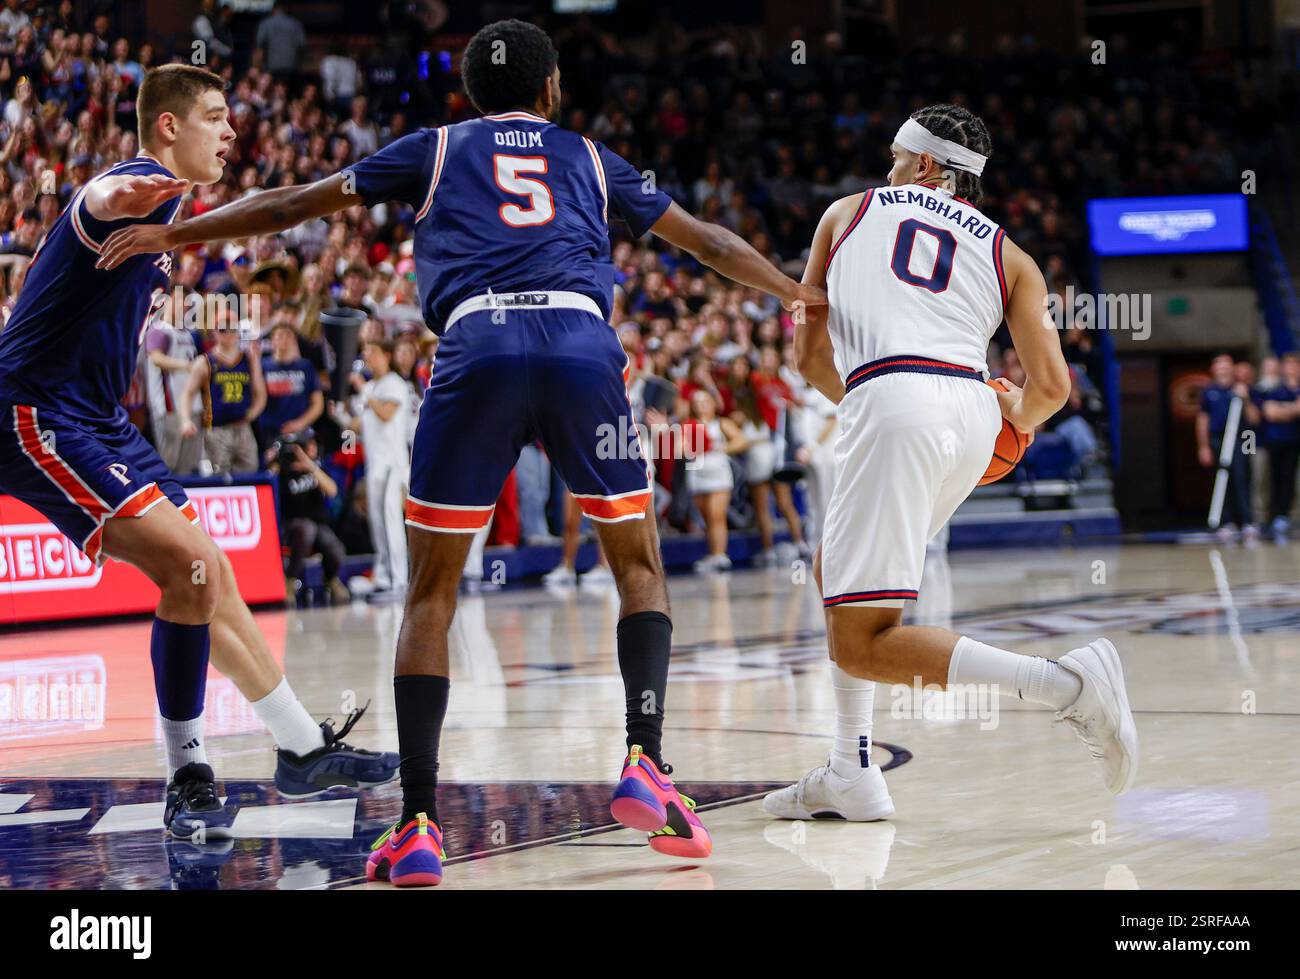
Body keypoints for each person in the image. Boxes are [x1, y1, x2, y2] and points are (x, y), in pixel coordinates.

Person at [95, 19, 825, 886]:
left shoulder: (433, 148)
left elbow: (294, 204)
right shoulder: (590, 157)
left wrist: (177, 237)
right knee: (638, 563)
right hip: (580, 346)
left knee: (432, 593)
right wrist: (796, 291)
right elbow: (708, 240)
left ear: (468, 95)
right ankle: (645, 756)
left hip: (474, 345)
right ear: (551, 91)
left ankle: (418, 824)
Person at [0, 64, 396, 842]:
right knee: (190, 569)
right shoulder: (132, 185)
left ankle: (300, 746)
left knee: (211, 572)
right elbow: (99, 200)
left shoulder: (173, 209)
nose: (232, 131)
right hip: (33, 410)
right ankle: (186, 770)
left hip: (100, 417)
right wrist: (135, 201)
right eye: (216, 117)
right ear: (170, 127)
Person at [765, 104, 1138, 822]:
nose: (890, 168)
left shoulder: (845, 213)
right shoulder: (1013, 255)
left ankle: (1064, 685)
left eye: (899, 156)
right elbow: (1053, 389)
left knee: (863, 642)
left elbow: (809, 354)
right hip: (971, 409)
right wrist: (1012, 418)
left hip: (894, 396)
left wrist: (878, 403)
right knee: (833, 570)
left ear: (928, 165)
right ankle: (851, 770)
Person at [180, 309, 265, 474]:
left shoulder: (249, 359)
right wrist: (185, 420)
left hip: (243, 428)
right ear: (214, 331)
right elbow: (188, 393)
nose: (228, 333)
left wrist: (252, 414)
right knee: (220, 476)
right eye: (223, 328)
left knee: (250, 472)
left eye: (232, 327)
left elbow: (260, 392)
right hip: (216, 430)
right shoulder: (205, 361)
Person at [272, 429, 350, 605]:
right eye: (308, 445)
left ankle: (330, 579)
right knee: (306, 529)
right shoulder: (283, 470)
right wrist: (276, 463)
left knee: (336, 549)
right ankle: (289, 582)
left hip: (318, 525)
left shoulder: (317, 467)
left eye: (314, 444)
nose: (312, 448)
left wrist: (310, 466)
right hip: (291, 526)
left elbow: (332, 490)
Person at [1197, 353, 1261, 541]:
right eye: (1219, 365)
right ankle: (1227, 522)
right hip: (1218, 439)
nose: (1223, 369)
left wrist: (1245, 398)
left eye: (1226, 365)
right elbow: (1202, 420)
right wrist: (1203, 446)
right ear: (1214, 369)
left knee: (1243, 476)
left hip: (1244, 438)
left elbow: (1255, 420)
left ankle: (1248, 521)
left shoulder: (1244, 389)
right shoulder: (1209, 392)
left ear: (1232, 368)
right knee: (1222, 478)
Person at [1257, 353, 1300, 536]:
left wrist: (1283, 410)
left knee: (1292, 480)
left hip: (1295, 440)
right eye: (1288, 366)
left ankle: (1289, 516)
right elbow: (1270, 413)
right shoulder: (1272, 389)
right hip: (1271, 441)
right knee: (1271, 479)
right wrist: (1292, 409)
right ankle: (1270, 516)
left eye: (1295, 366)